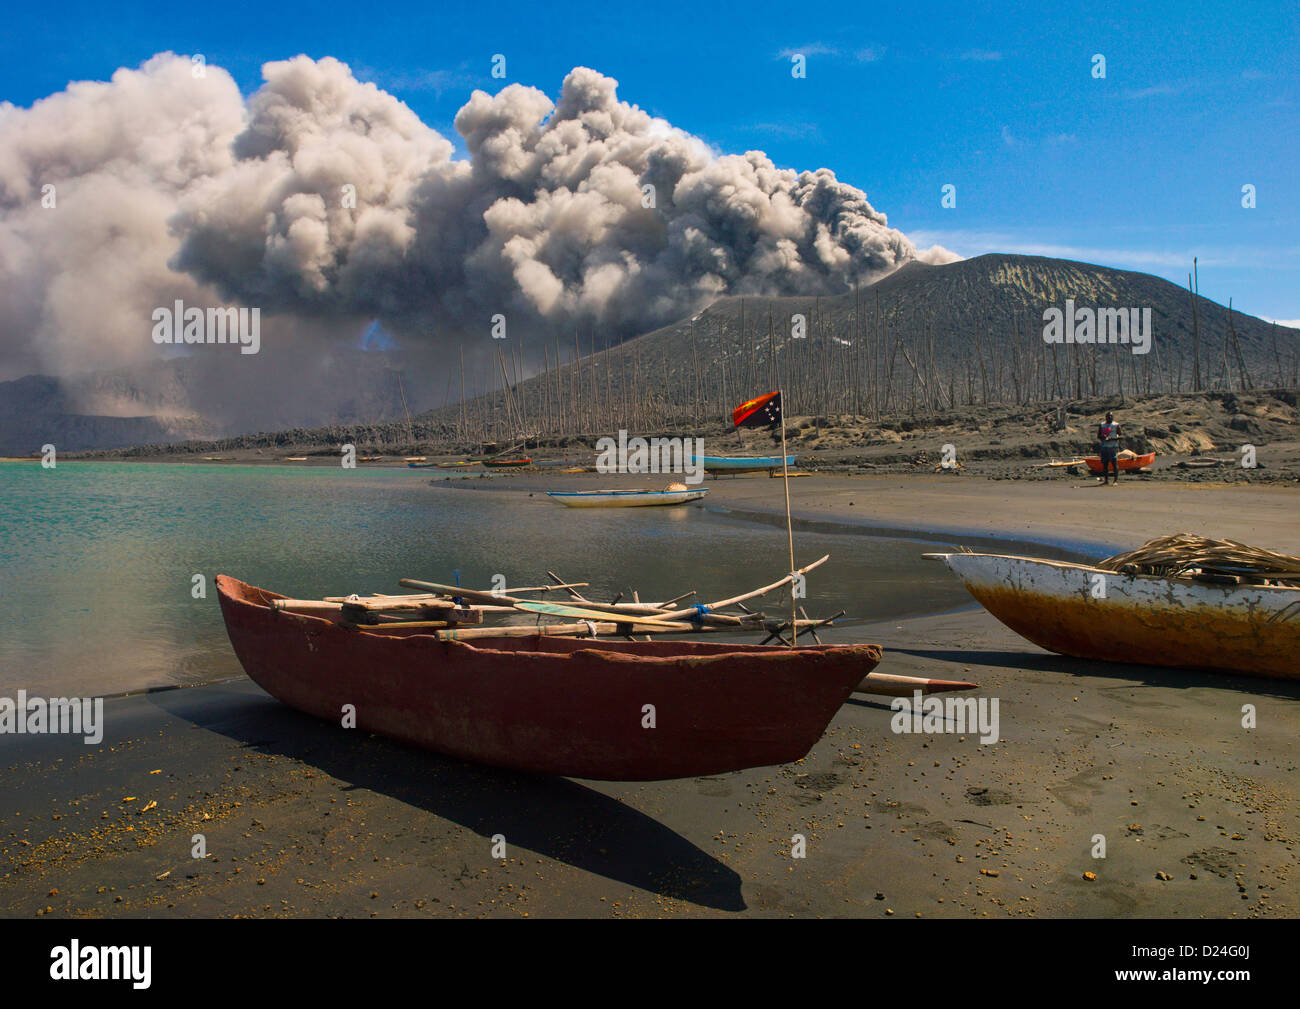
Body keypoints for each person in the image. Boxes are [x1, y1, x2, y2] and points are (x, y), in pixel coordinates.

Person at [1097, 411, 1121, 485]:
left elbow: (1120, 435)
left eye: (1111, 416)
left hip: (1113, 447)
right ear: (1106, 417)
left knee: (1114, 463)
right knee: (1105, 464)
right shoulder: (1102, 425)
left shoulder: (1116, 425)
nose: (1110, 417)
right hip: (1104, 446)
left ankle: (1115, 481)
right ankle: (1106, 480)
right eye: (1108, 416)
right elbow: (1098, 436)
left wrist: (1112, 439)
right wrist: (1103, 437)